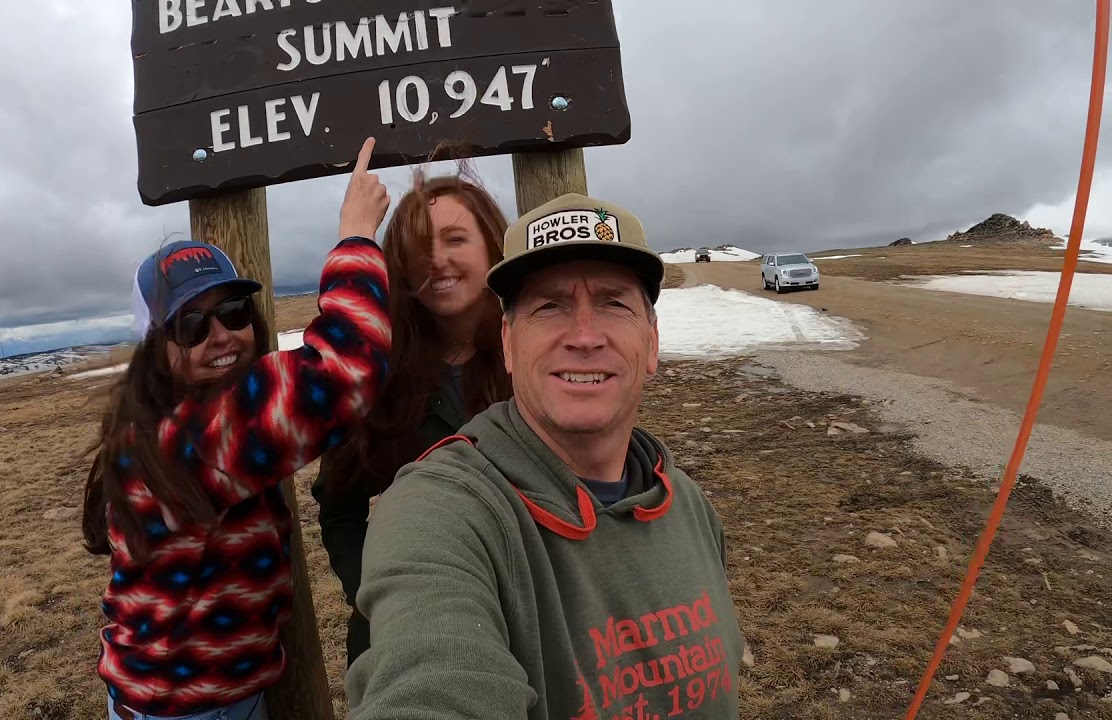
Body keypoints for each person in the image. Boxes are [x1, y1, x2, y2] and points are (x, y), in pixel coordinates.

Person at [346, 193, 745, 720]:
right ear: (509, 343)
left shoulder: (687, 503)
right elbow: (433, 682)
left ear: (651, 342)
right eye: (549, 305)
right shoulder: (442, 510)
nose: (584, 336)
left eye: (614, 303)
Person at [80, 138, 392, 720]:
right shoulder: (193, 435)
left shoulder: (160, 425)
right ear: (156, 348)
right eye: (192, 325)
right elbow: (347, 367)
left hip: (184, 697)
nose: (221, 335)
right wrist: (356, 234)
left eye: (234, 312)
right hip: (196, 710)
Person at [310, 172, 513, 669]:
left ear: (494, 246)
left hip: (528, 626)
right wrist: (379, 597)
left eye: (456, 239)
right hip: (408, 645)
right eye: (420, 245)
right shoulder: (381, 374)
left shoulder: (533, 358)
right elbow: (339, 508)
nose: (436, 258)